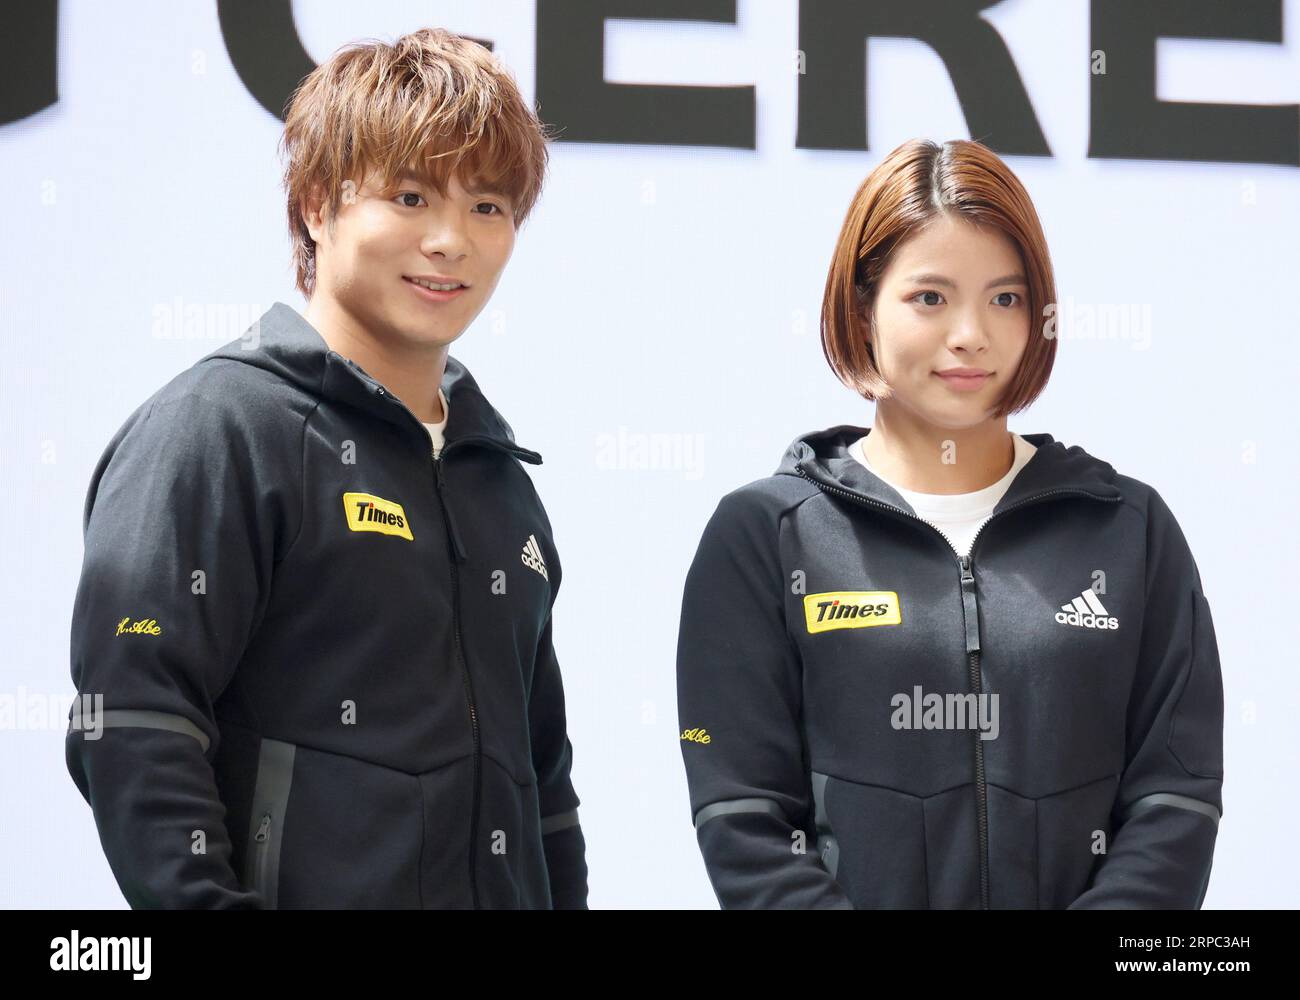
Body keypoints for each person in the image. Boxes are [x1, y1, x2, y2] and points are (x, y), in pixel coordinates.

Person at [66, 27, 588, 909]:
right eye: (412, 196)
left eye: (488, 207)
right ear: (317, 205)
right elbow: (132, 722)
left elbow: (546, 790)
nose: (450, 240)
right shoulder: (218, 428)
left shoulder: (500, 482)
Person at [676, 138, 1224, 909]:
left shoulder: (1129, 529)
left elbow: (1176, 799)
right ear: (862, 308)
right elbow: (745, 820)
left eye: (1005, 298)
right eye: (930, 298)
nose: (971, 334)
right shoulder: (765, 534)